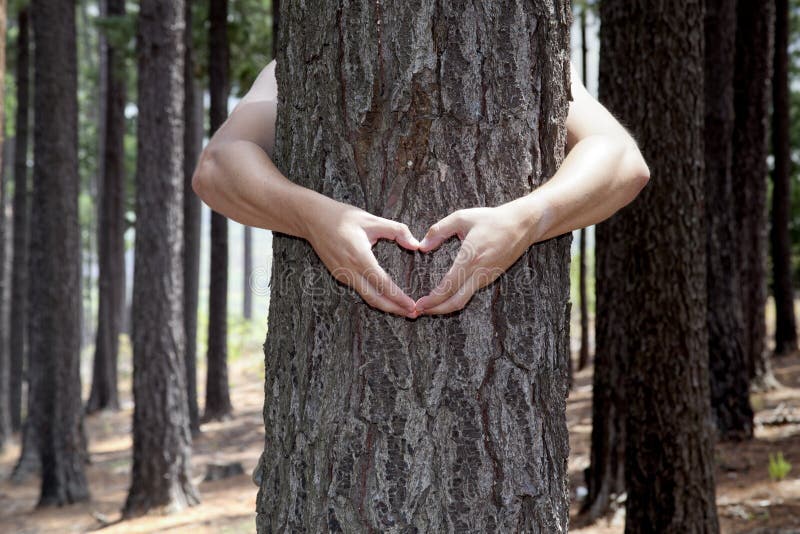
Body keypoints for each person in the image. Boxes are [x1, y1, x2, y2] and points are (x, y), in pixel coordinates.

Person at [192, 60, 650, 319]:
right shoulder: (307, 63)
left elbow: (623, 160)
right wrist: (311, 216)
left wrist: (528, 218)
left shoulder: (527, 56)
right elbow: (217, 166)